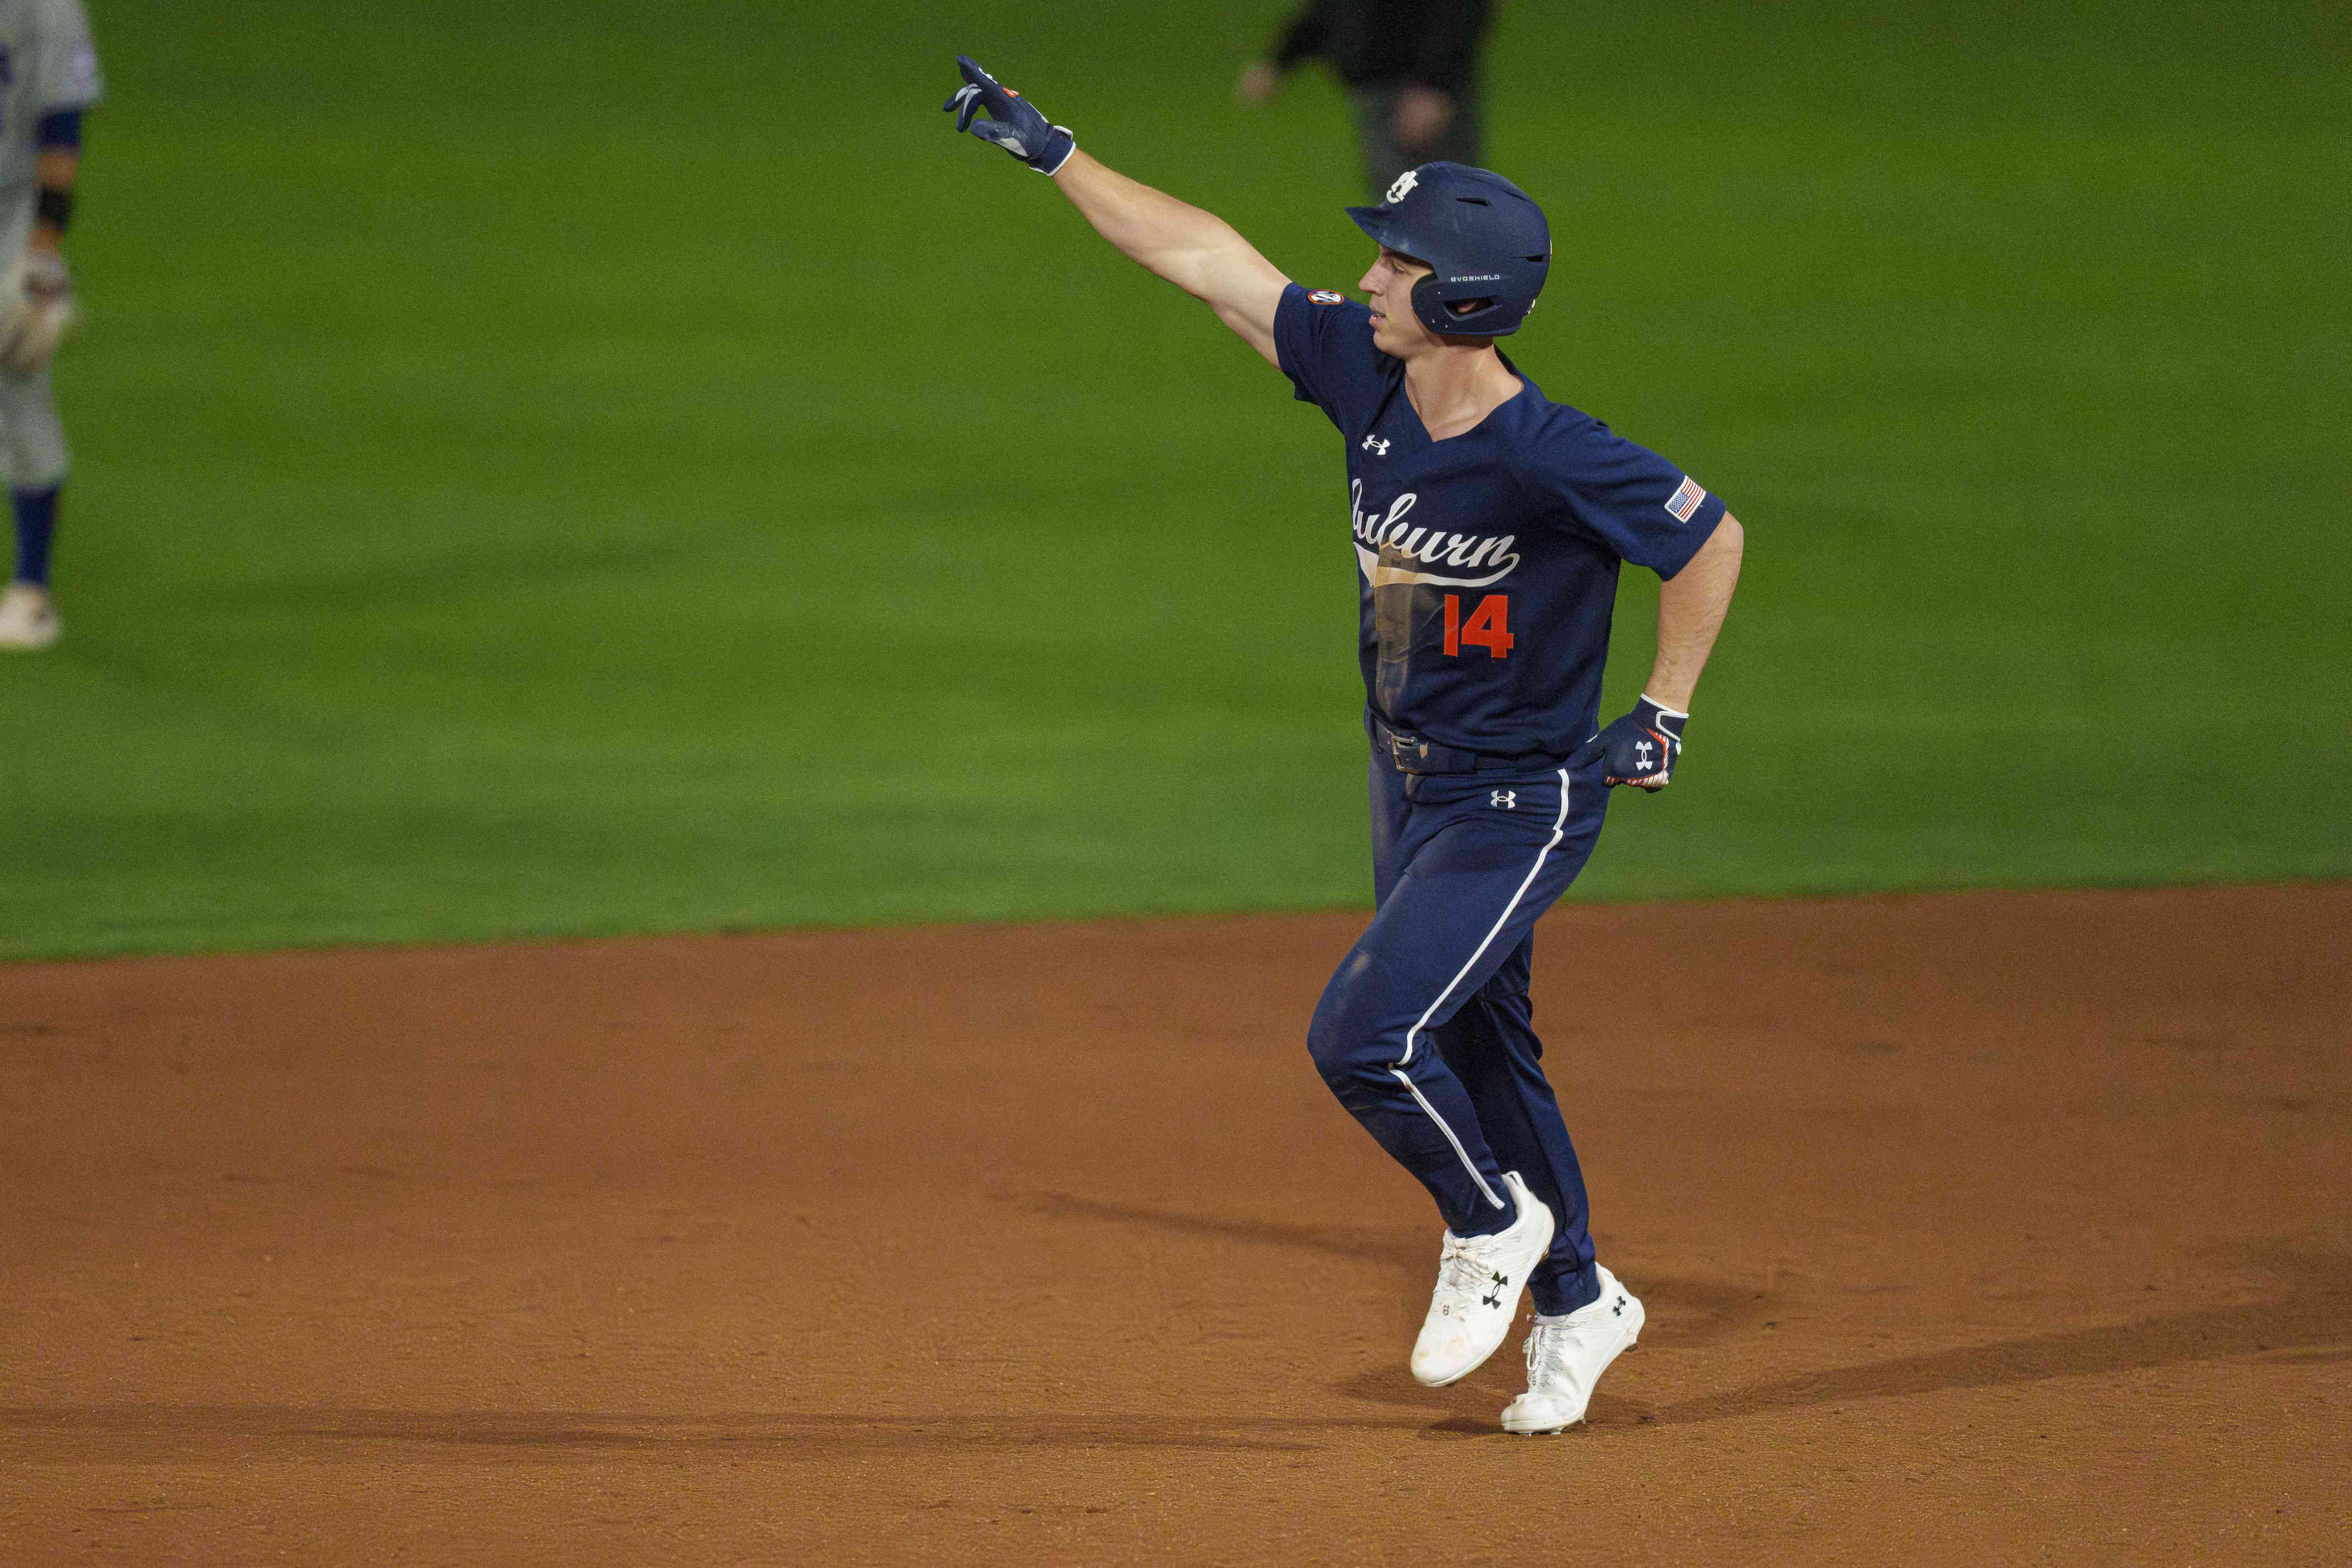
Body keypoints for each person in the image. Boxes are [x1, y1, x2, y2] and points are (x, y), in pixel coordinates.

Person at [943, 55, 1744, 1433]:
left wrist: (1661, 711)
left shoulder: (1549, 453)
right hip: (1406, 783)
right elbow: (1210, 263)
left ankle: (1488, 1221)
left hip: (1519, 801)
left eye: (1397, 263)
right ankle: (1577, 1298)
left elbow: (1707, 538)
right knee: (1482, 1050)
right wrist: (1056, 153)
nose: (1369, 278)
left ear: (1462, 301)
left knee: (1364, 1036)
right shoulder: (1372, 383)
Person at [0, 0, 102, 651]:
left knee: (18, 383)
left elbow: (62, 126)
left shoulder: (47, 8)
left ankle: (32, 590)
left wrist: (42, 253)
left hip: (12, 215)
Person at [1236, 0, 1493, 201]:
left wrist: (1433, 84)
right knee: (1399, 208)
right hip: (1377, 90)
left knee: (1444, 206)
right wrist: (1281, 60)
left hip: (1417, 91)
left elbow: (1458, 9)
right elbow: (1334, 8)